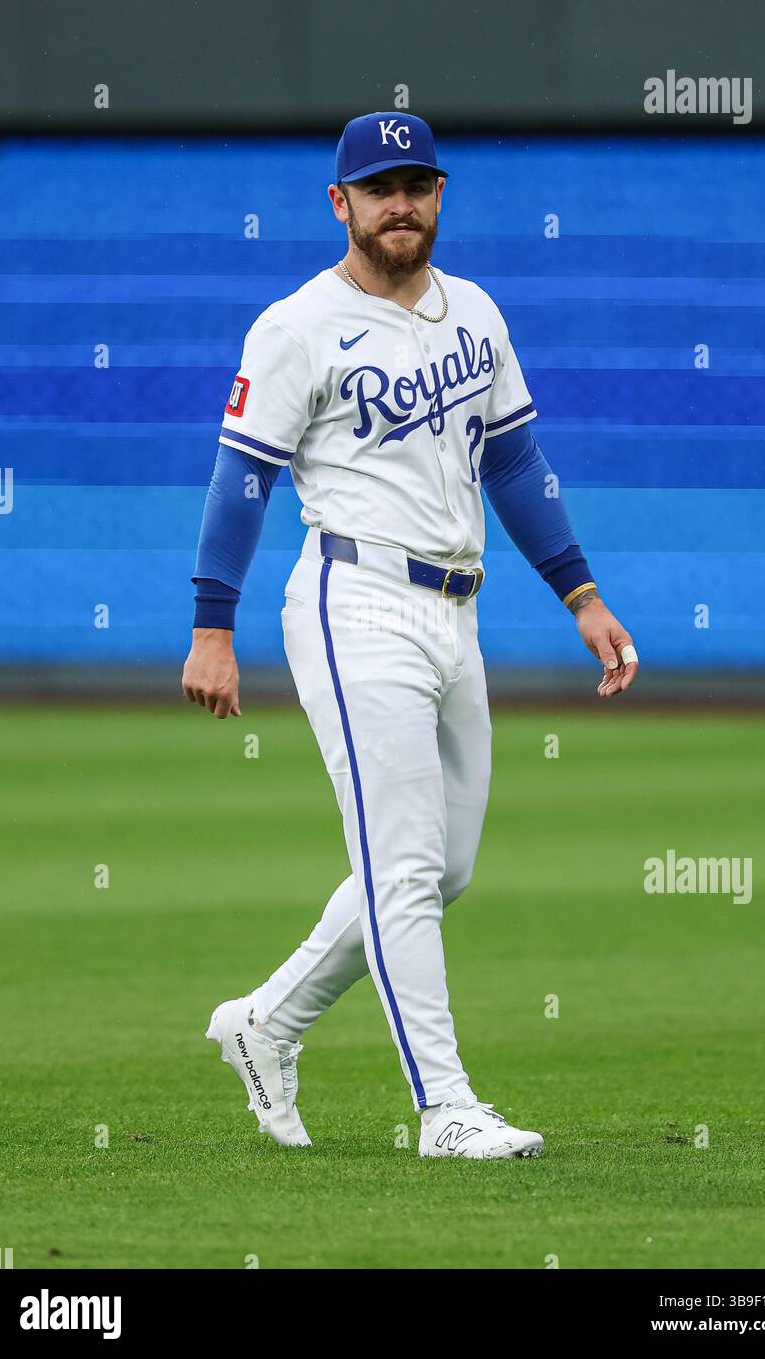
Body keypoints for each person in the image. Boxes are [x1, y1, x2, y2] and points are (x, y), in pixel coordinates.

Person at [183, 112, 639, 1159]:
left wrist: (580, 595)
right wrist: (214, 622)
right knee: (401, 866)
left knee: (446, 866)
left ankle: (266, 1023)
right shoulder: (295, 325)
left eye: (417, 184)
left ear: (439, 196)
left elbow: (514, 466)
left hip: (453, 608)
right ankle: (445, 1108)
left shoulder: (473, 312)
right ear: (338, 203)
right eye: (379, 186)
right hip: (355, 599)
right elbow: (242, 475)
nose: (401, 203)